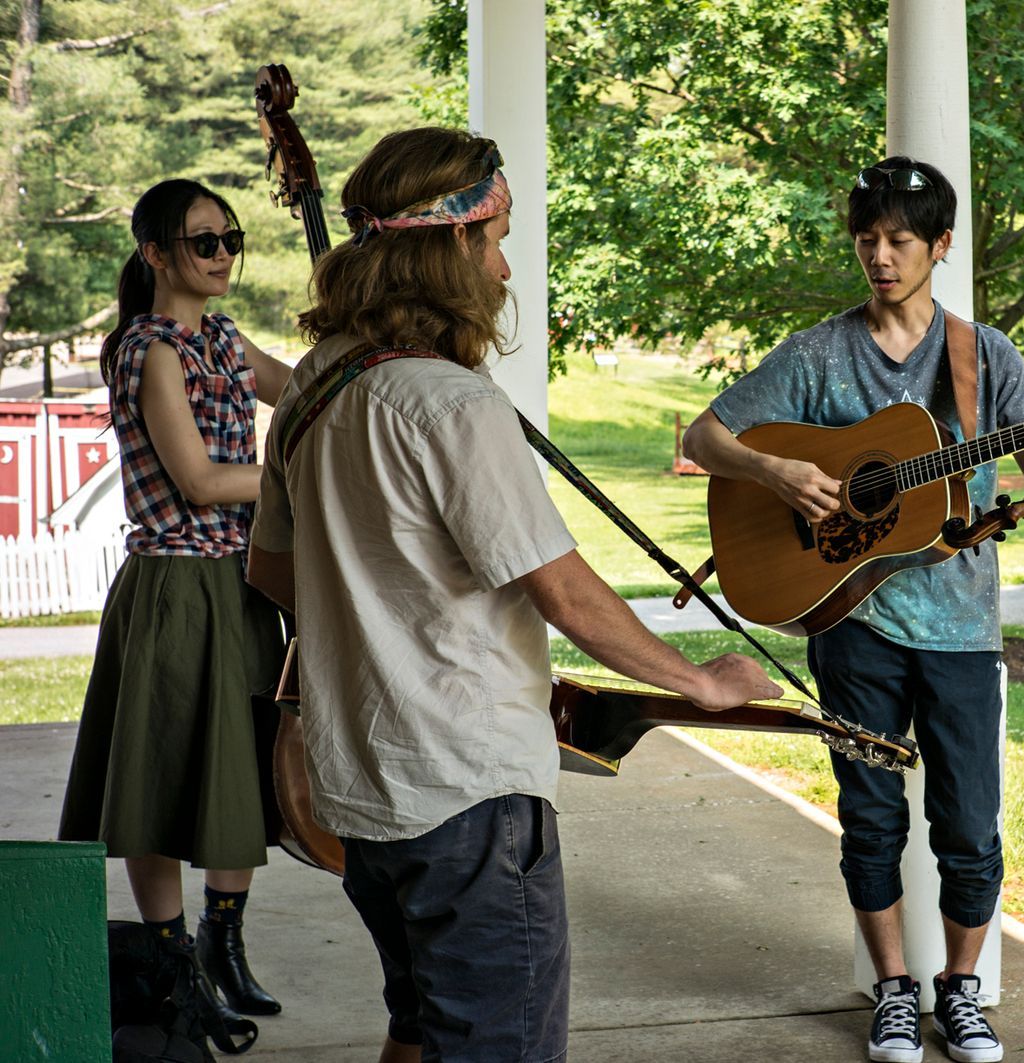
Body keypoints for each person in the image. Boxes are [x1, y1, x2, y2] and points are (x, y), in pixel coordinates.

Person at [246, 127, 780, 1063]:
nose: (503, 267)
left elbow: (274, 573)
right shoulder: (452, 405)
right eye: (494, 238)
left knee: (419, 1028)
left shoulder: (314, 390)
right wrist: (700, 682)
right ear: (447, 245)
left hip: (363, 791)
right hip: (467, 798)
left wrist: (386, 613)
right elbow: (563, 591)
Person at [682, 156, 1024, 1063]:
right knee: (871, 813)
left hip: (962, 626)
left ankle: (961, 992)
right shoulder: (816, 353)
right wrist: (778, 470)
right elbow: (703, 435)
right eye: (868, 240)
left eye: (900, 241)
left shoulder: (985, 357)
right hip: (854, 622)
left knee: (968, 823)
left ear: (941, 248)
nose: (880, 257)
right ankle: (892, 988)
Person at [59, 179, 294, 1017]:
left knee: (238, 767)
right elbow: (198, 482)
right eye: (204, 241)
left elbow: (306, 391)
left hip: (238, 582)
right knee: (157, 776)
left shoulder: (225, 338)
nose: (223, 252)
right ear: (157, 253)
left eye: (231, 238)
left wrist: (366, 348)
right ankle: (172, 963)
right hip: (174, 583)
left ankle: (222, 947)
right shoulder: (149, 349)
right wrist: (299, 479)